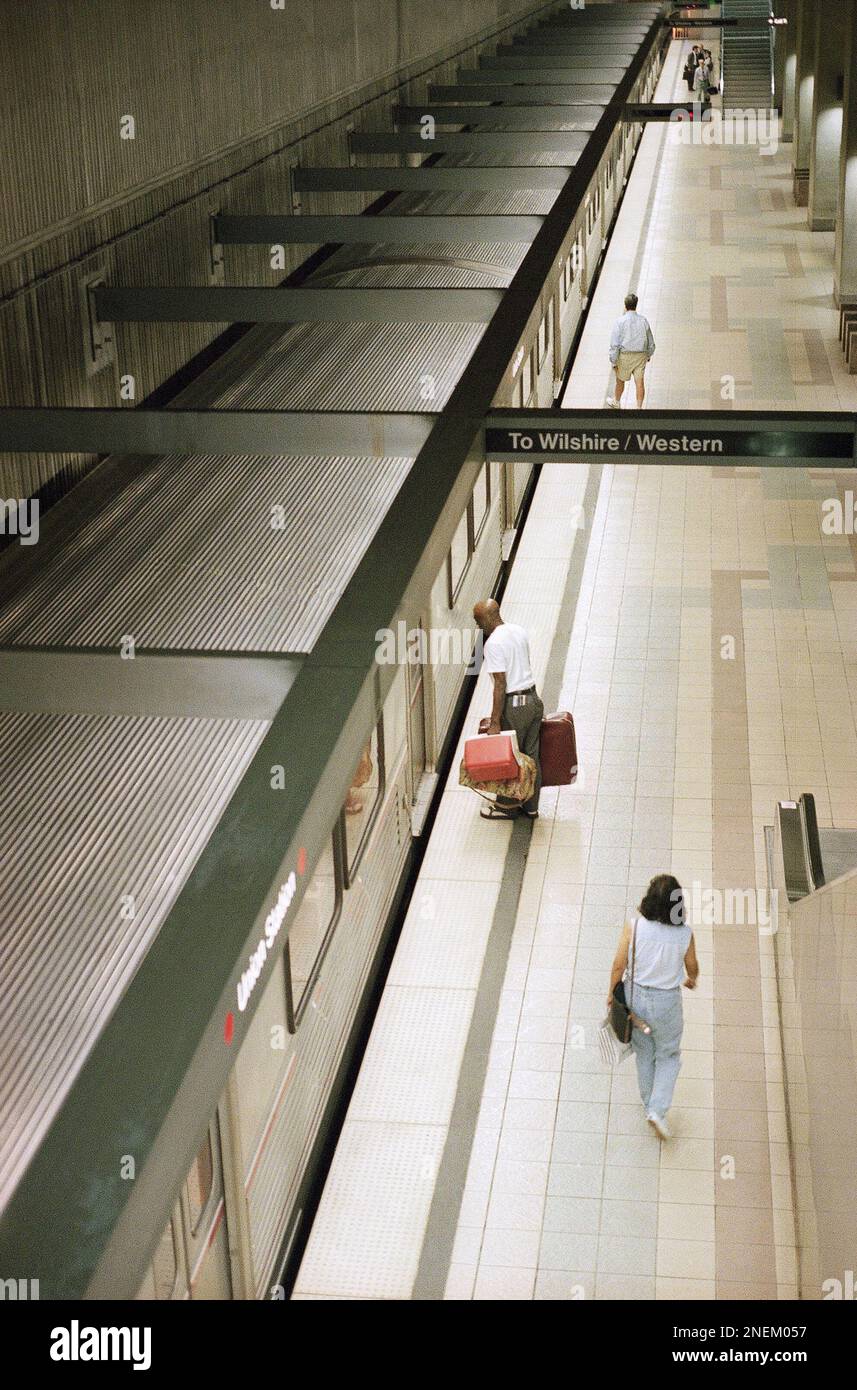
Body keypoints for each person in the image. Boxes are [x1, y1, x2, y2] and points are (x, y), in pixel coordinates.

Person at [606, 874, 699, 1140]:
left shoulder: (633, 928)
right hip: (667, 1004)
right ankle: (657, 1110)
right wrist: (691, 979)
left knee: (645, 1052)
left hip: (637, 1002)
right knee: (668, 1054)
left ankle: (650, 1106)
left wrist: (612, 993)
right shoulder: (685, 934)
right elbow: (692, 967)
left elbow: (618, 965)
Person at [473, 599, 543, 821]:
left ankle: (506, 806)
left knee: (511, 757)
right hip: (533, 700)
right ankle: (531, 807)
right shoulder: (518, 631)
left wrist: (495, 722)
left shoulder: (492, 644)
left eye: (478, 620)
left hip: (514, 706)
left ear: (487, 617)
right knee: (531, 757)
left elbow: (501, 683)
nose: (478, 625)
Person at [606, 292, 655, 410]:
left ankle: (616, 402)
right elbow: (651, 343)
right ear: (635, 305)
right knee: (639, 382)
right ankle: (639, 407)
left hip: (624, 356)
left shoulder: (619, 322)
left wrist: (613, 360)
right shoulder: (643, 321)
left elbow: (615, 344)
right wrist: (648, 355)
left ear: (625, 306)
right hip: (640, 356)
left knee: (620, 381)